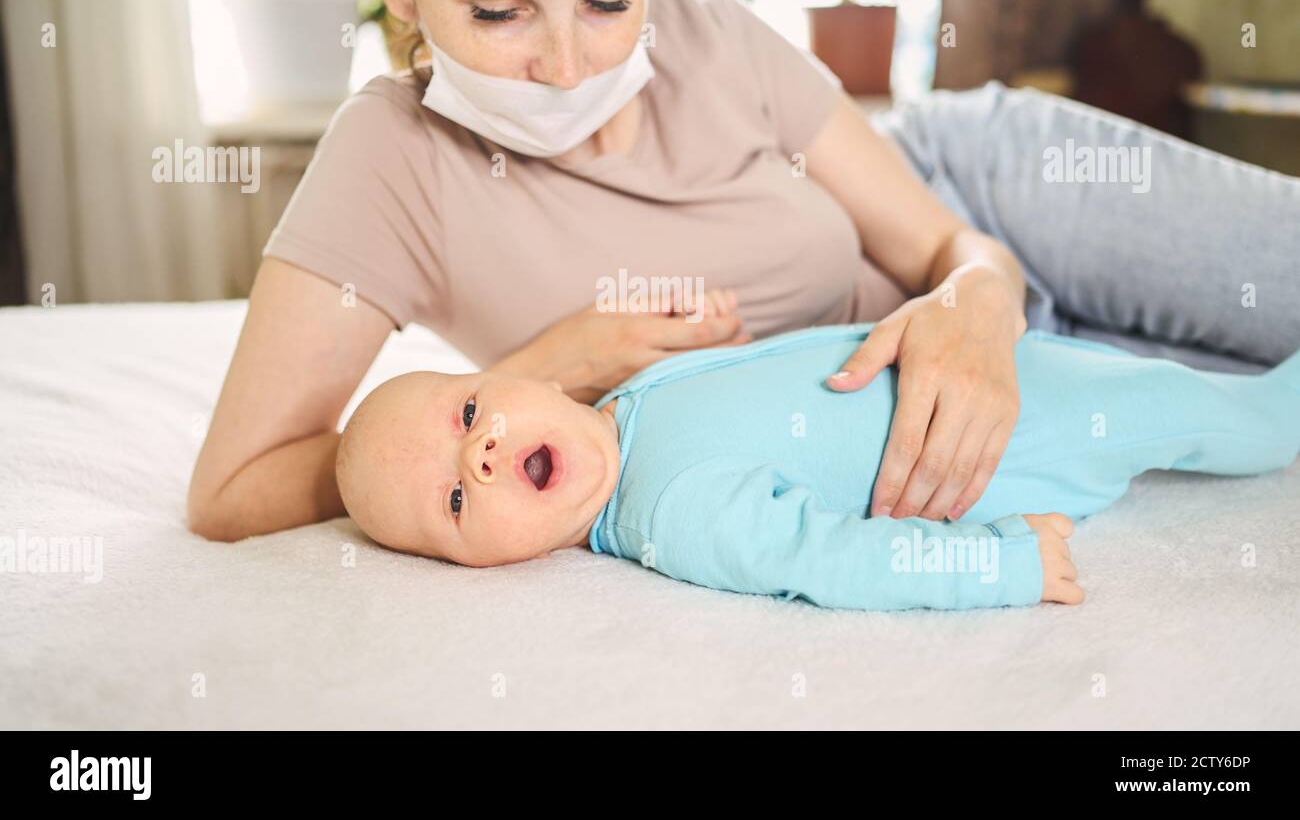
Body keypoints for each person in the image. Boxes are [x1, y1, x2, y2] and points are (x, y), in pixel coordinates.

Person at [187, 0, 1300, 544]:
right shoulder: (390, 159)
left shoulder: (709, 30)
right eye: (499, 13)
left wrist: (975, 299)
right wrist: (537, 369)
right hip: (957, 390)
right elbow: (232, 490)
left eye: (608, 1)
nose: (570, 65)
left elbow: (941, 240)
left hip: (1003, 201)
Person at [332, 319, 1300, 611]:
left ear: (514, 377)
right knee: (1215, 416)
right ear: (478, 567)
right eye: (458, 495)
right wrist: (996, 564)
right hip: (1011, 441)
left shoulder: (629, 407)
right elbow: (828, 560)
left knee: (1176, 376)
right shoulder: (671, 511)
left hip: (962, 359)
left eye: (468, 410)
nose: (484, 448)